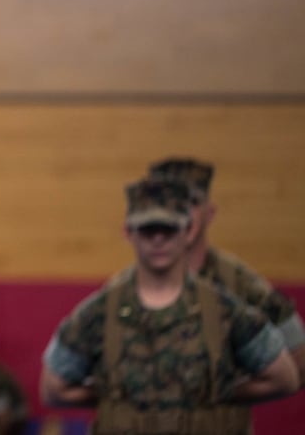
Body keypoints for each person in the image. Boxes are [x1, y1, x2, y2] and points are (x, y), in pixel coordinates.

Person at [40, 178, 299, 434]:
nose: (158, 240)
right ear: (128, 232)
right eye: (148, 229)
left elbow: (284, 378)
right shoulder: (99, 313)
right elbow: (53, 389)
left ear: (188, 231)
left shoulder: (224, 310)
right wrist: (115, 400)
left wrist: (218, 394)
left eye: (168, 229)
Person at [149, 156, 305, 388]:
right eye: (168, 203)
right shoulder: (132, 284)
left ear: (209, 213)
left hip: (218, 422)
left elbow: (299, 363)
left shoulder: (242, 285)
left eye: (191, 202)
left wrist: (228, 392)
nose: (179, 213)